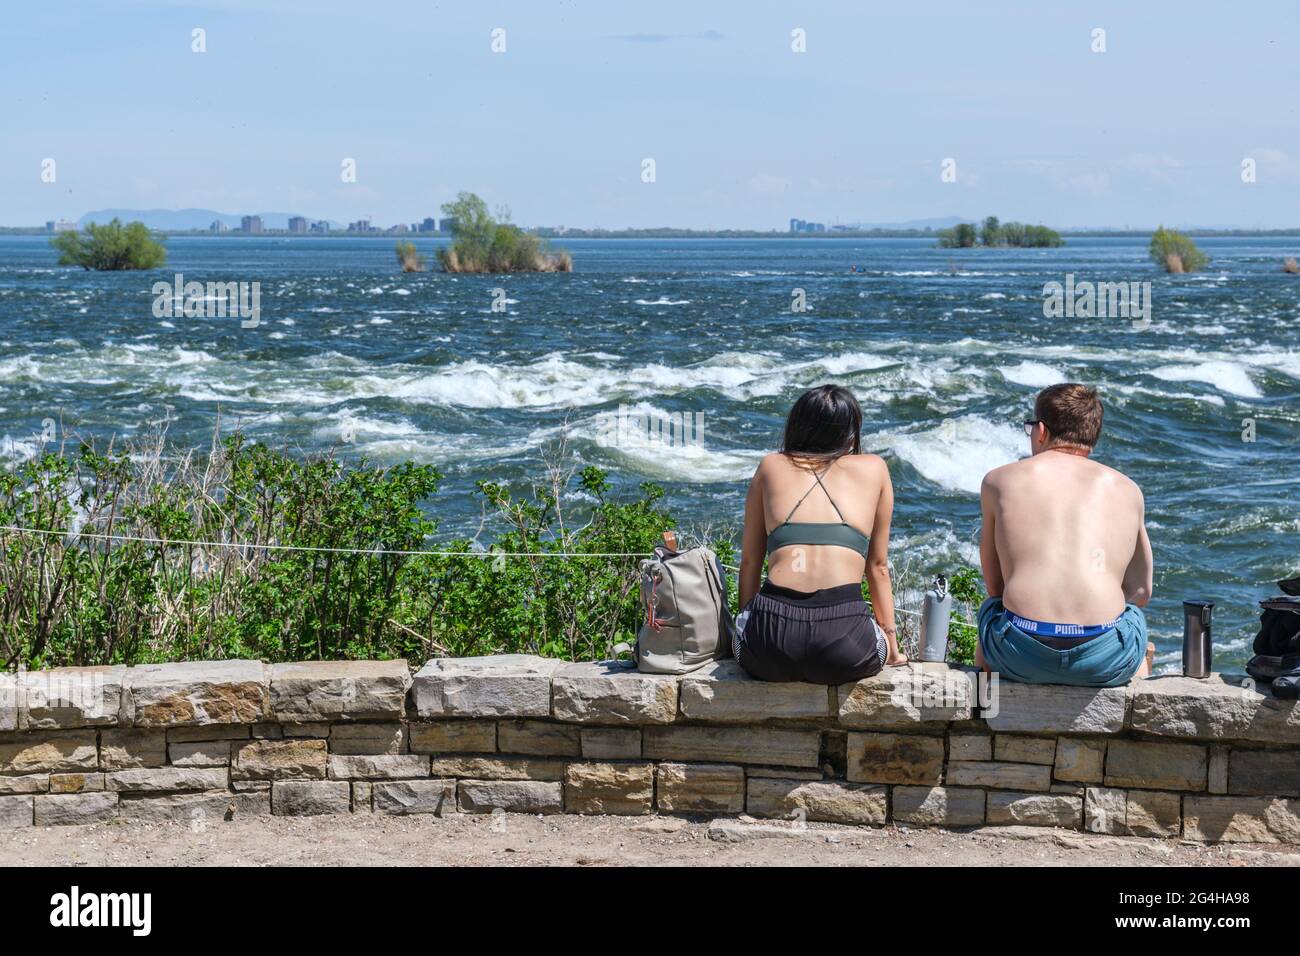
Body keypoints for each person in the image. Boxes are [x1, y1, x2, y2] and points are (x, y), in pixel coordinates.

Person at [977, 383, 1156, 686]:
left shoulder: (998, 481)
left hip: (1019, 653)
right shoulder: (1127, 489)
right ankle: (1137, 685)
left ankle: (982, 708)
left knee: (991, 609)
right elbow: (1141, 592)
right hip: (1103, 659)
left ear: (1042, 431)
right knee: (1132, 617)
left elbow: (995, 586)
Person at [735, 385, 906, 683]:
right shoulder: (874, 468)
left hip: (770, 645)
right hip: (846, 647)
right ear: (850, 435)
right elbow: (877, 567)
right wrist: (891, 645)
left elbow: (750, 562)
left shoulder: (771, 466)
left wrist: (749, 625)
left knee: (743, 637)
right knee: (876, 646)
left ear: (798, 426)